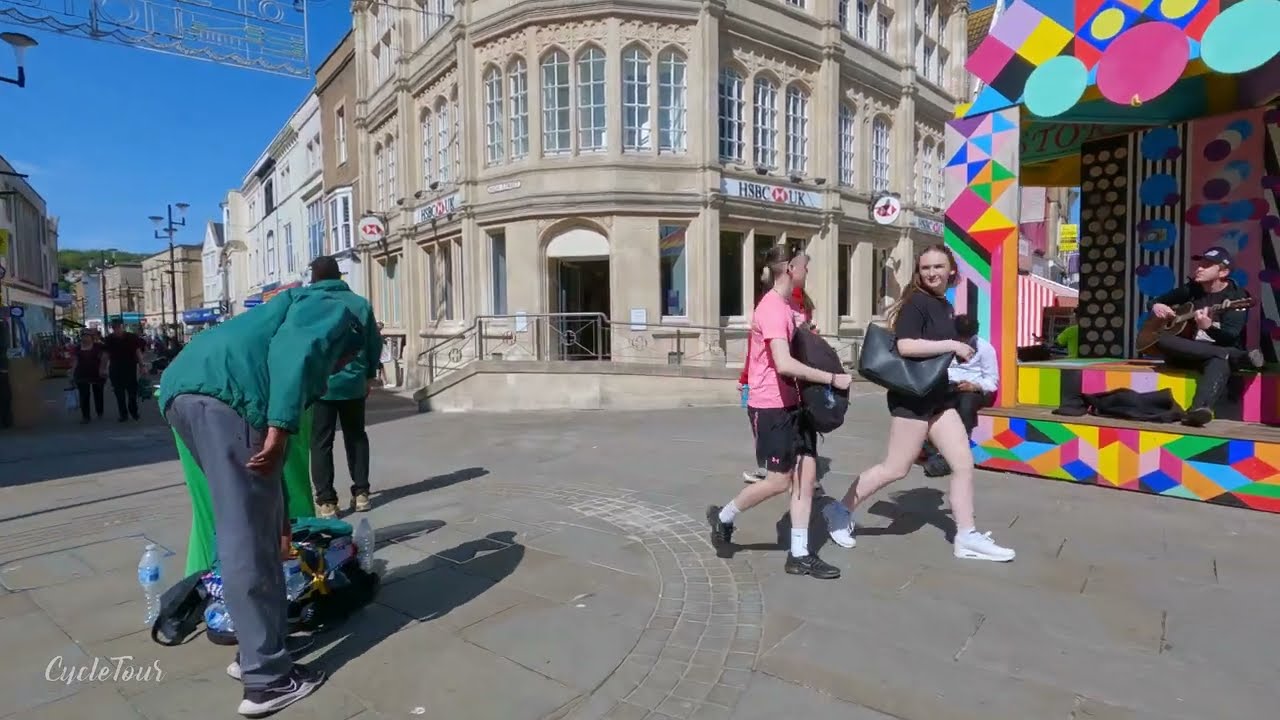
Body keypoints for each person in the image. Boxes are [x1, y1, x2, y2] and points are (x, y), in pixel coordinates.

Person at [158, 283, 367, 717]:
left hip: (185, 388)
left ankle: (262, 646)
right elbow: (299, 350)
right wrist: (280, 426)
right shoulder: (335, 308)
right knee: (247, 539)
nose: (336, 372)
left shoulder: (275, 315)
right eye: (345, 362)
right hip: (228, 394)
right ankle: (267, 679)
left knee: (257, 527)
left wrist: (283, 519)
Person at [823, 245, 1014, 562]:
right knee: (895, 468)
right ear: (918, 272)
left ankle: (966, 536)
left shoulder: (943, 304)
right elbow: (906, 345)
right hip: (913, 399)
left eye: (939, 266)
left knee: (963, 464)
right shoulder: (917, 303)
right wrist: (953, 343)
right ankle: (839, 509)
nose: (932, 273)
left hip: (938, 395)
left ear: (951, 269)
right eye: (926, 268)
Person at [707, 246, 853, 580]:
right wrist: (833, 378)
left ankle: (799, 554)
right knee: (778, 482)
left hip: (795, 403)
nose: (807, 271)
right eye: (804, 266)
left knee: (806, 477)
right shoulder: (772, 307)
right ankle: (725, 517)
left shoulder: (789, 306)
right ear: (789, 268)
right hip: (772, 405)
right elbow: (784, 362)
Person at [1149, 246, 1262, 427]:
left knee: (1219, 358)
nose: (1199, 268)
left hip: (1214, 354)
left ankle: (1197, 411)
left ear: (1223, 272)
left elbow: (1230, 337)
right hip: (1189, 352)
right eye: (1200, 263)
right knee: (1162, 338)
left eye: (1207, 265)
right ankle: (1241, 358)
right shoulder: (1191, 289)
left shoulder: (1237, 297)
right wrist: (1155, 306)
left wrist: (1209, 328)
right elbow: (1155, 301)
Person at [308, 256, 383, 518]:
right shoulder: (359, 304)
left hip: (320, 384)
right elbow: (374, 342)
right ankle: (361, 493)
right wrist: (369, 374)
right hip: (353, 381)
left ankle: (327, 501)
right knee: (356, 436)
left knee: (320, 442)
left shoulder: (307, 304)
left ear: (315, 278)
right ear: (339, 276)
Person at [739, 286, 815, 484]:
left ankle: (775, 472)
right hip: (797, 387)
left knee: (777, 437)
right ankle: (799, 476)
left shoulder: (778, 309)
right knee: (798, 435)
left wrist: (745, 379)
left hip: (777, 390)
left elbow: (756, 356)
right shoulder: (784, 308)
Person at [921, 315, 998, 477]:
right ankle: (932, 448)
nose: (962, 341)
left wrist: (974, 386)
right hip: (952, 386)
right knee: (928, 399)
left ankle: (956, 451)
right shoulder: (948, 345)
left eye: (966, 338)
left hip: (976, 390)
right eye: (959, 337)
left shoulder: (985, 349)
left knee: (966, 402)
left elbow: (992, 381)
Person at [102, 319, 144, 421]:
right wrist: (102, 368)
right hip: (115, 369)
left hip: (130, 368)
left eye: (118, 327)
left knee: (132, 393)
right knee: (119, 393)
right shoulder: (109, 339)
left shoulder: (132, 337)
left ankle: (133, 410)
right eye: (114, 327)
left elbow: (138, 352)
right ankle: (123, 414)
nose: (116, 329)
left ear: (122, 326)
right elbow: (105, 355)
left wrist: (142, 365)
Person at [70, 330, 107, 424]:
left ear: (92, 338)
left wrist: (103, 368)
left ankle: (99, 411)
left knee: (98, 394)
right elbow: (75, 361)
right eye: (83, 336)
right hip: (81, 374)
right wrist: (72, 373)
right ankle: (86, 416)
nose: (85, 338)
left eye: (87, 336)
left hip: (97, 374)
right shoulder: (77, 348)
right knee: (84, 396)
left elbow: (105, 357)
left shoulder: (98, 346)